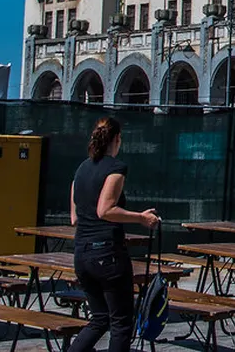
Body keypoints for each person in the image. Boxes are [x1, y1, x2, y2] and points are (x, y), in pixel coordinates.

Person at [68, 117, 160, 352]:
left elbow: (75, 218)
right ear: (117, 139)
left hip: (82, 253)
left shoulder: (80, 170)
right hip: (107, 253)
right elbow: (105, 209)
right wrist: (141, 218)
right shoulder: (116, 168)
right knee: (121, 323)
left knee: (99, 318)